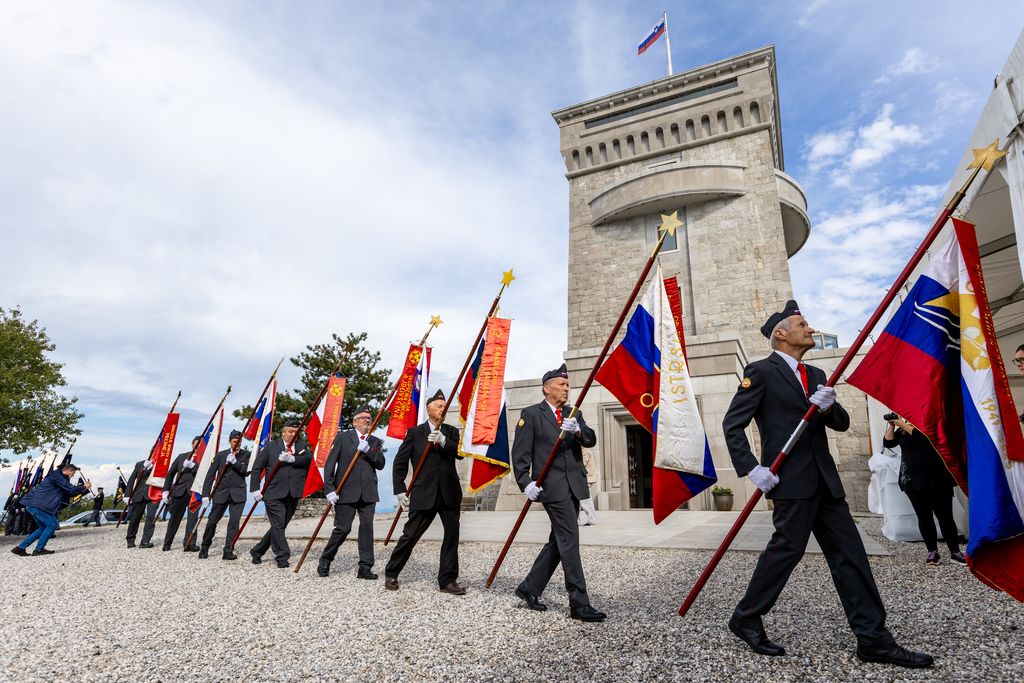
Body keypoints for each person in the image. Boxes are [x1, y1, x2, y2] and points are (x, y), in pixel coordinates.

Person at [722, 299, 933, 668]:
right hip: (789, 480)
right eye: (802, 323)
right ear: (781, 334)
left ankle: (873, 639)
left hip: (826, 482)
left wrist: (827, 407)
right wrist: (753, 468)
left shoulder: (819, 376)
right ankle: (746, 616)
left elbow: (841, 423)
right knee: (786, 552)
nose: (810, 328)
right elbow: (732, 425)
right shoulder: (760, 371)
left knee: (850, 557)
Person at [512, 363, 605, 622]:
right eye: (562, 385)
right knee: (569, 541)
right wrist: (525, 482)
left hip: (574, 485)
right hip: (552, 488)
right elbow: (520, 453)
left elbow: (591, 439)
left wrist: (578, 430)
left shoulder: (573, 413)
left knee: (559, 541)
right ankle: (579, 603)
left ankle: (529, 588)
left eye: (568, 385)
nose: (566, 389)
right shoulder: (531, 414)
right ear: (547, 387)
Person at [384, 390, 465, 594]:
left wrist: (443, 441)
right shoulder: (414, 433)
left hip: (449, 492)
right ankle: (392, 572)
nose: (442, 409)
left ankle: (447, 580)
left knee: (451, 537)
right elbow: (399, 463)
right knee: (410, 535)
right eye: (439, 406)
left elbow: (460, 454)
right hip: (423, 493)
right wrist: (400, 490)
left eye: (445, 407)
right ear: (429, 409)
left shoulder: (451, 431)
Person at [882, 415, 965, 565]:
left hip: (938, 479)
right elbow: (888, 443)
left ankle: (955, 552)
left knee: (945, 517)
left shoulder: (931, 427)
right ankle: (932, 552)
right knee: (924, 517)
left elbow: (924, 441)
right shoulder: (902, 430)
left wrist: (901, 423)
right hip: (913, 481)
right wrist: (892, 425)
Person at [318, 405, 385, 579]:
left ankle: (365, 567)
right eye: (363, 417)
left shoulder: (374, 441)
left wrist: (368, 450)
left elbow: (381, 463)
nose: (367, 420)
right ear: (355, 421)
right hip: (346, 491)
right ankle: (325, 559)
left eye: (369, 418)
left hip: (368, 492)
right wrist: (329, 489)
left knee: (366, 529)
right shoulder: (342, 438)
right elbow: (330, 464)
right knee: (342, 528)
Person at [248, 419, 312, 568]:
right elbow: (257, 467)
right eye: (290, 431)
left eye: (296, 432)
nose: (292, 435)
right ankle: (282, 556)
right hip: (273, 492)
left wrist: (293, 459)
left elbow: (308, 460)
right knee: (277, 524)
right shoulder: (271, 446)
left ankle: (257, 551)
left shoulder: (301, 446)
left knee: (280, 526)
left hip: (294, 492)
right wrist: (255, 488)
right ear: (283, 432)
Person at [11, 463, 90, 556]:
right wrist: (84, 486)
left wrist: (84, 489)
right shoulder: (57, 475)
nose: (73, 476)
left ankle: (20, 548)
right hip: (38, 505)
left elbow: (69, 493)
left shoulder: (61, 479)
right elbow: (71, 488)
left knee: (43, 527)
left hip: (37, 505)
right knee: (52, 524)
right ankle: (39, 549)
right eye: (73, 473)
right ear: (69, 470)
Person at [198, 429, 251, 560]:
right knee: (212, 521)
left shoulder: (247, 455)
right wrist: (205, 495)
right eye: (234, 441)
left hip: (238, 493)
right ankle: (204, 547)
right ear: (229, 441)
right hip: (221, 493)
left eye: (239, 441)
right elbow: (210, 476)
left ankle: (228, 550)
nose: (237, 444)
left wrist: (236, 463)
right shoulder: (220, 455)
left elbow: (247, 472)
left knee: (234, 522)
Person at [161, 436, 202, 552]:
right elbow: (170, 474)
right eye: (196, 444)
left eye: (200, 444)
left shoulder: (204, 458)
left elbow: (206, 473)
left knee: (192, 519)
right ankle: (167, 543)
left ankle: (189, 544)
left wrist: (194, 466)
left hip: (195, 492)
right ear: (192, 445)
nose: (197, 446)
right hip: (179, 492)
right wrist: (165, 490)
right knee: (174, 518)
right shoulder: (181, 457)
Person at [124, 459, 159, 548]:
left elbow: (163, 478)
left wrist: (152, 469)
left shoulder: (161, 464)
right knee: (135, 518)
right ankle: (130, 540)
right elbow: (132, 479)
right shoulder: (140, 464)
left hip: (154, 495)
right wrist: (127, 495)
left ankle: (145, 541)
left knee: (151, 518)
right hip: (139, 494)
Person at [578, 447, 598, 526]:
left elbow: (582, 463)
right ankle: (575, 520)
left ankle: (592, 520)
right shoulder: (585, 449)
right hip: (583, 479)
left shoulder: (584, 450)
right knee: (579, 501)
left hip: (585, 479)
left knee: (585, 501)